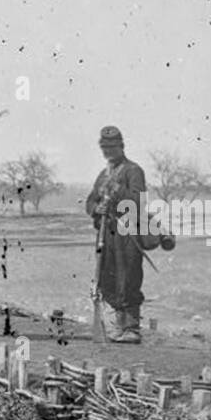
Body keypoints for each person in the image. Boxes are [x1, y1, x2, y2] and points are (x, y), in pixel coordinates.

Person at [84, 126, 148, 344]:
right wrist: (96, 209)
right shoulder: (103, 175)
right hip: (106, 234)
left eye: (112, 147)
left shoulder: (133, 171)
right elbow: (90, 200)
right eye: (104, 148)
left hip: (127, 233)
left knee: (128, 277)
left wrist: (117, 192)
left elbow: (137, 201)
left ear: (122, 146)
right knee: (107, 277)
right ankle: (117, 326)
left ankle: (132, 328)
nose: (108, 151)